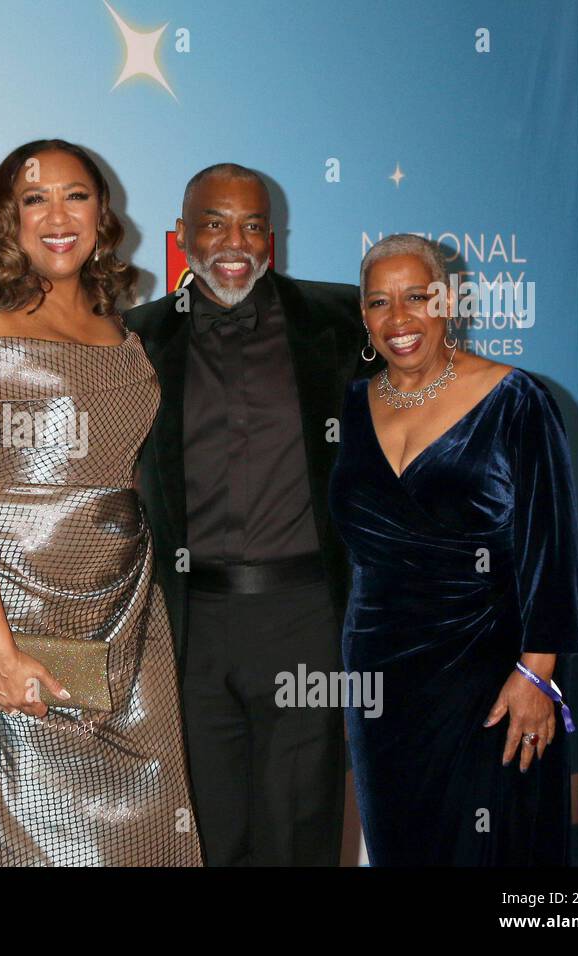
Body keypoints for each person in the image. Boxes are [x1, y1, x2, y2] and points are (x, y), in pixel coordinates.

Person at [0, 139, 202, 866]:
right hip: (10, 603)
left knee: (142, 829)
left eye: (75, 195)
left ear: (102, 212)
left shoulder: (117, 323)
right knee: (30, 836)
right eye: (33, 198)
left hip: (123, 606)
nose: (57, 215)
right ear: (5, 220)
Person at [126, 164, 368, 866]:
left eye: (253, 225)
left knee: (301, 826)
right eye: (214, 223)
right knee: (205, 830)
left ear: (274, 236)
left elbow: (431, 407)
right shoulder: (135, 339)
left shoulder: (341, 319)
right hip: (186, 623)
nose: (235, 242)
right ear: (182, 235)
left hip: (305, 618)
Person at [329, 233, 578, 865]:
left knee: (493, 845)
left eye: (417, 297)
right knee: (401, 841)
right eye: (380, 302)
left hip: (491, 671)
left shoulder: (516, 399)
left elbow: (551, 546)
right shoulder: (352, 407)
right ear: (363, 315)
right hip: (381, 671)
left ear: (449, 301)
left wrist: (537, 673)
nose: (399, 318)